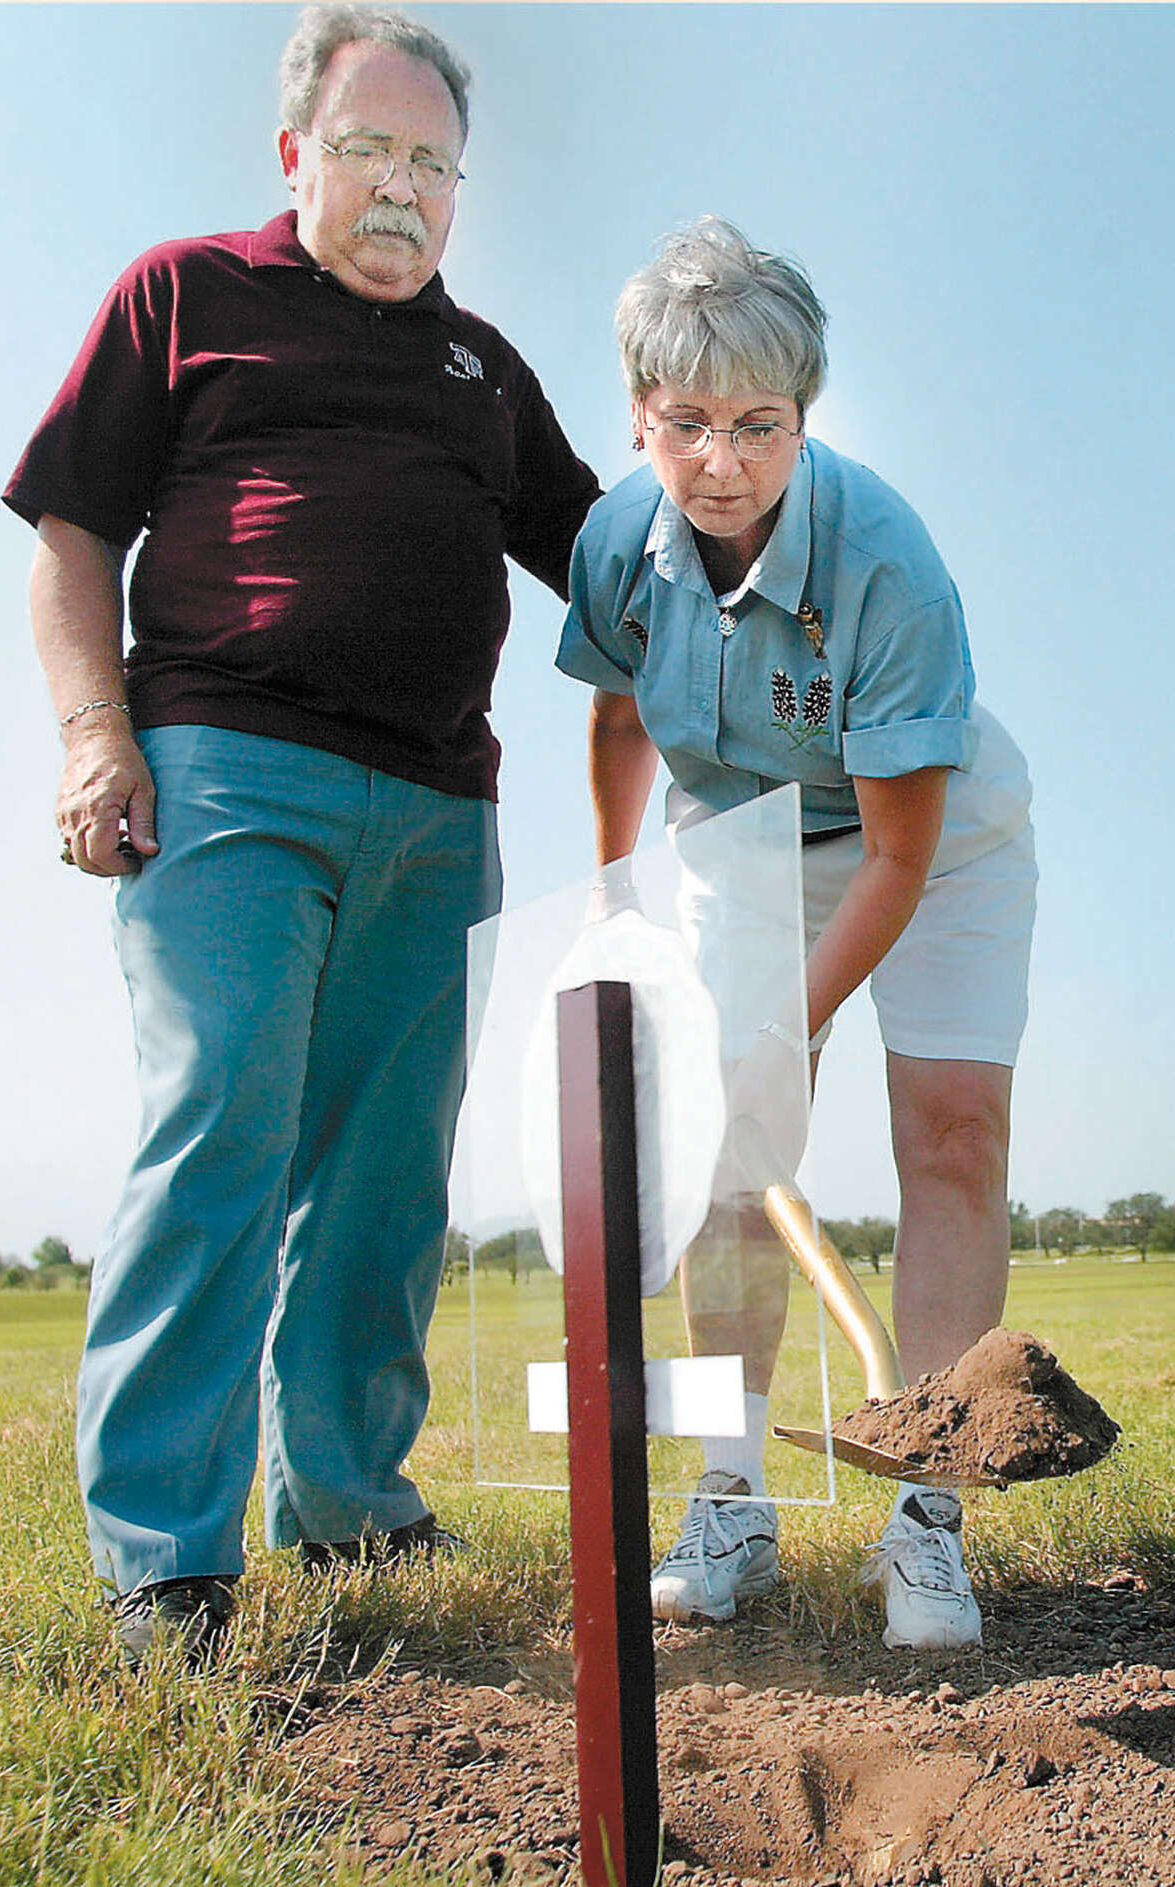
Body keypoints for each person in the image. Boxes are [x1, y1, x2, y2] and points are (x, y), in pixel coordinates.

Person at [2, 3, 598, 1666]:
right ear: (295, 155)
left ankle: (345, 1504)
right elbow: (71, 540)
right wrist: (89, 739)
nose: (401, 188)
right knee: (225, 1119)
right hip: (226, 771)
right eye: (368, 150)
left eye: (433, 163)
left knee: (388, 1172)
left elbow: (604, 564)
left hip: (438, 809)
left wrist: (756, 529)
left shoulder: (486, 369)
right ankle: (163, 1566)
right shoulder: (182, 293)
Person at [556, 217, 1036, 1652]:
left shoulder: (885, 562)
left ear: (804, 417)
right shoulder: (614, 544)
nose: (721, 461)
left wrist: (791, 1016)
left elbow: (898, 852)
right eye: (687, 422)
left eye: (759, 425)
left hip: (932, 839)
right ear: (641, 411)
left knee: (951, 1135)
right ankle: (732, 1507)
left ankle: (927, 1520)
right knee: (727, 1166)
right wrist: (610, 885)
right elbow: (623, 710)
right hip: (743, 844)